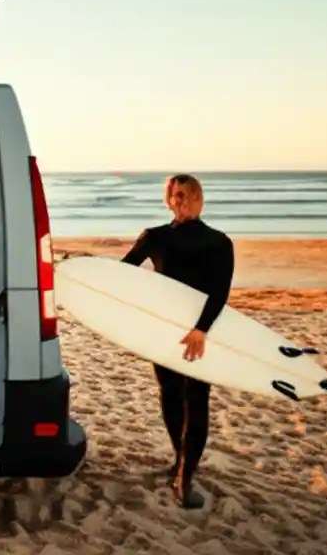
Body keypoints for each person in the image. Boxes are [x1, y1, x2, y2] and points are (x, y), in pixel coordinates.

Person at [121, 173, 234, 509]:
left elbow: (220, 292)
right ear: (167, 199)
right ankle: (180, 463)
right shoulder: (153, 237)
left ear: (199, 198)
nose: (180, 200)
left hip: (198, 333)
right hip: (164, 330)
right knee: (171, 394)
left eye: (186, 194)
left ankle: (184, 478)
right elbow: (123, 274)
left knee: (196, 400)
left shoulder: (219, 242)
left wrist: (201, 330)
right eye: (174, 194)